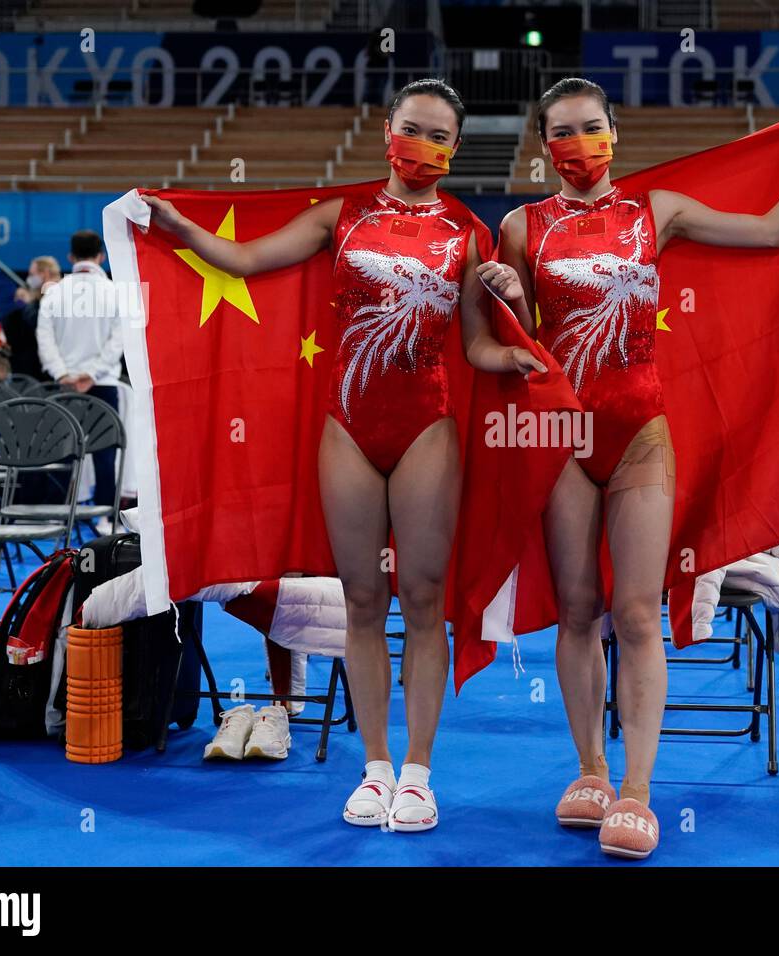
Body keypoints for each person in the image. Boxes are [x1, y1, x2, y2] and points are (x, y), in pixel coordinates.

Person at [140, 78, 545, 833]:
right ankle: (375, 769)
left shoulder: (467, 232)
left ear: (455, 149)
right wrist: (180, 227)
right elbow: (245, 260)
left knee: (422, 599)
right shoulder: (341, 213)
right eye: (412, 129)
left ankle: (418, 776)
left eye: (439, 137)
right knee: (363, 601)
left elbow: (477, 345)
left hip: (427, 426)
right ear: (387, 131)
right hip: (348, 428)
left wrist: (514, 338)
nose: (422, 146)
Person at [483, 77, 779, 859]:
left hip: (640, 437)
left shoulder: (656, 211)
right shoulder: (521, 226)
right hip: (562, 437)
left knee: (635, 614)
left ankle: (638, 790)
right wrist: (509, 293)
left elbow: (771, 232)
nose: (577, 144)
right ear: (542, 145)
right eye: (561, 132)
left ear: (614, 133)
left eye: (590, 127)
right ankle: (590, 771)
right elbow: (507, 338)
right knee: (578, 611)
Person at [37, 230, 125, 528]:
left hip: (65, 385)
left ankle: (57, 514)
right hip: (102, 385)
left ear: (70, 257)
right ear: (101, 256)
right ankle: (105, 516)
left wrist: (63, 374)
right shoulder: (116, 291)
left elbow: (45, 339)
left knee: (61, 451)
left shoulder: (54, 292)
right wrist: (92, 374)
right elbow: (119, 340)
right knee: (105, 453)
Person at [3, 256, 61, 379]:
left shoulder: (56, 297)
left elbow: (41, 328)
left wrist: (29, 305)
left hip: (52, 364)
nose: (29, 279)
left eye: (31, 274)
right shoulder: (38, 299)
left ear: (45, 273)